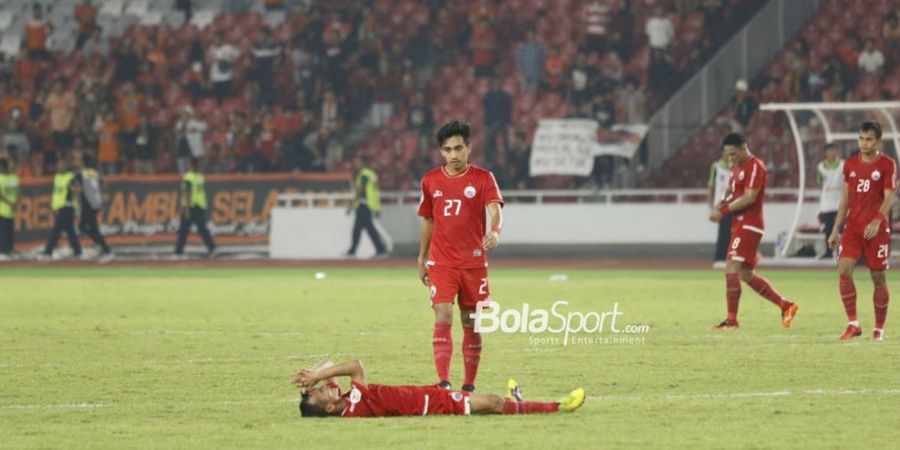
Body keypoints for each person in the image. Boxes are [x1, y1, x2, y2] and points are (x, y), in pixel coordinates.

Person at [417, 120, 504, 392]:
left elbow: (494, 208)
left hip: (473, 263)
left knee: (470, 322)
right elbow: (428, 221)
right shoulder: (430, 180)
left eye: (458, 148)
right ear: (441, 152)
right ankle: (443, 381)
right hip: (441, 262)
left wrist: (496, 230)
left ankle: (469, 385)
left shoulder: (483, 178)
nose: (453, 155)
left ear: (469, 147)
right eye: (447, 150)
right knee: (442, 315)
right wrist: (422, 258)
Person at [708, 132, 799, 330]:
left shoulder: (756, 166)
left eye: (733, 154)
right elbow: (731, 191)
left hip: (749, 224)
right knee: (746, 274)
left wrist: (724, 209)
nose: (730, 159)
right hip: (739, 223)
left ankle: (731, 320)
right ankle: (786, 305)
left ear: (742, 148)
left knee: (731, 268)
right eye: (727, 155)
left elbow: (749, 197)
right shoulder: (736, 166)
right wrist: (722, 203)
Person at [291, 359, 584, 418]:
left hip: (432, 394)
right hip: (438, 405)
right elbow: (354, 365)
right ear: (329, 407)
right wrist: (317, 375)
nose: (327, 387)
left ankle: (515, 399)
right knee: (494, 403)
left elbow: (330, 363)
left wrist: (315, 375)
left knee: (492, 404)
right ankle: (559, 406)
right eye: (320, 392)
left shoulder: (342, 400)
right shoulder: (355, 405)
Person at [827, 121, 896, 341]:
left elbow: (890, 197)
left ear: (878, 141)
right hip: (853, 228)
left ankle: (879, 329)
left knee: (878, 276)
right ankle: (853, 324)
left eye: (868, 139)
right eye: (861, 138)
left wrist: (877, 220)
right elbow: (845, 199)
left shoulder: (887, 164)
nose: (864, 143)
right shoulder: (849, 164)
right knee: (844, 270)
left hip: (877, 230)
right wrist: (835, 228)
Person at [41, 155, 82, 260]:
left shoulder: (70, 176)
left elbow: (76, 190)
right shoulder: (57, 177)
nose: (60, 167)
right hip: (59, 207)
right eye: (59, 165)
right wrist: (54, 206)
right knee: (70, 230)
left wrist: (77, 207)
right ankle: (77, 251)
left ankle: (48, 251)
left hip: (67, 206)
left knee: (57, 230)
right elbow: (56, 193)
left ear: (67, 166)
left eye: (62, 165)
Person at [346, 156, 387, 258]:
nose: (356, 165)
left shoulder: (363, 175)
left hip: (363, 205)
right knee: (360, 228)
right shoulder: (372, 174)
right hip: (370, 205)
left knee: (366, 229)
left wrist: (352, 203)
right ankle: (353, 250)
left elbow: (360, 190)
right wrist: (377, 207)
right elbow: (375, 191)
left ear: (363, 163)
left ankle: (380, 249)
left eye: (357, 162)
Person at [174, 157, 216, 257]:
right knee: (201, 229)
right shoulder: (199, 176)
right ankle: (212, 248)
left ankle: (178, 252)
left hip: (192, 206)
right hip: (198, 206)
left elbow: (187, 192)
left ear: (190, 165)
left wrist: (186, 208)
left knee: (184, 230)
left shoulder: (188, 177)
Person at [77, 153, 113, 262]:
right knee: (90, 227)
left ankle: (106, 249)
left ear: (83, 162)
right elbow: (103, 184)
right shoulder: (95, 173)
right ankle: (100, 245)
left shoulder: (81, 174)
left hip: (87, 203)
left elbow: (73, 185)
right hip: (96, 203)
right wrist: (104, 194)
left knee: (85, 227)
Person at [816, 144, 843, 259]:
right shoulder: (821, 167)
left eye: (833, 150)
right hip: (827, 202)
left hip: (840, 201)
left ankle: (841, 251)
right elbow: (820, 183)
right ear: (825, 153)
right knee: (828, 228)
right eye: (829, 151)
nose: (831, 153)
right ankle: (828, 251)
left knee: (841, 228)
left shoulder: (842, 165)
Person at [708, 148, 732, 266]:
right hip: (720, 204)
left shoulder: (736, 167)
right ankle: (720, 258)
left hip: (733, 204)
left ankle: (731, 258)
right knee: (723, 232)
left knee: (734, 232)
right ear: (722, 152)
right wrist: (711, 206)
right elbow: (711, 187)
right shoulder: (716, 167)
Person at [0, 159, 19, 260]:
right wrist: (12, 203)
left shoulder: (14, 178)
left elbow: (19, 191)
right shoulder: (10, 178)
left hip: (10, 209)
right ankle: (3, 251)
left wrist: (15, 203)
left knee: (8, 231)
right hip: (2, 209)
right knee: (4, 231)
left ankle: (9, 249)